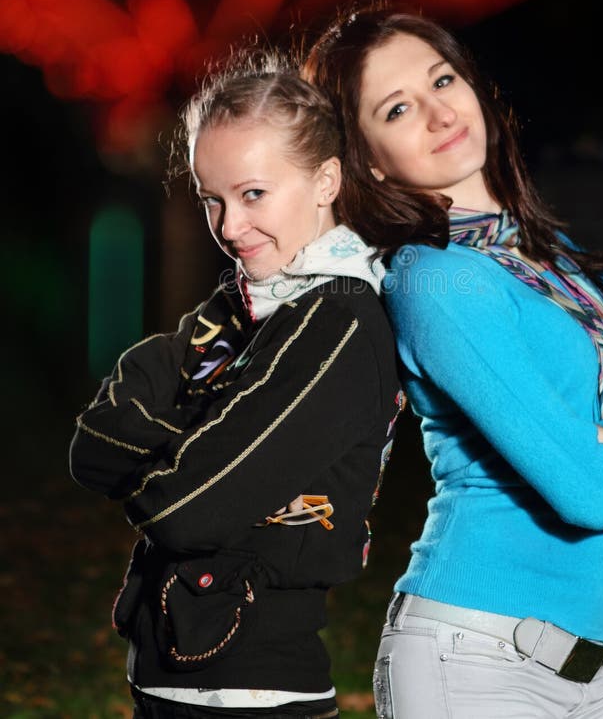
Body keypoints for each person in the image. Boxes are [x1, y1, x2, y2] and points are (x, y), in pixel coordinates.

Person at [303, 7, 603, 718]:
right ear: (365, 158)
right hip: (476, 666)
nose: (437, 112)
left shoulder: (553, 265)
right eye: (397, 109)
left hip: (579, 675)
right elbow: (589, 494)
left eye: (443, 79)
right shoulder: (438, 280)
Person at [69, 51, 403, 719]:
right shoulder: (243, 304)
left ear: (326, 180)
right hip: (170, 680)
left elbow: (185, 509)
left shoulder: (339, 321)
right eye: (212, 200)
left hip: (253, 692)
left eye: (252, 194)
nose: (228, 227)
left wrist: (182, 453)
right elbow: (97, 442)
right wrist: (202, 444)